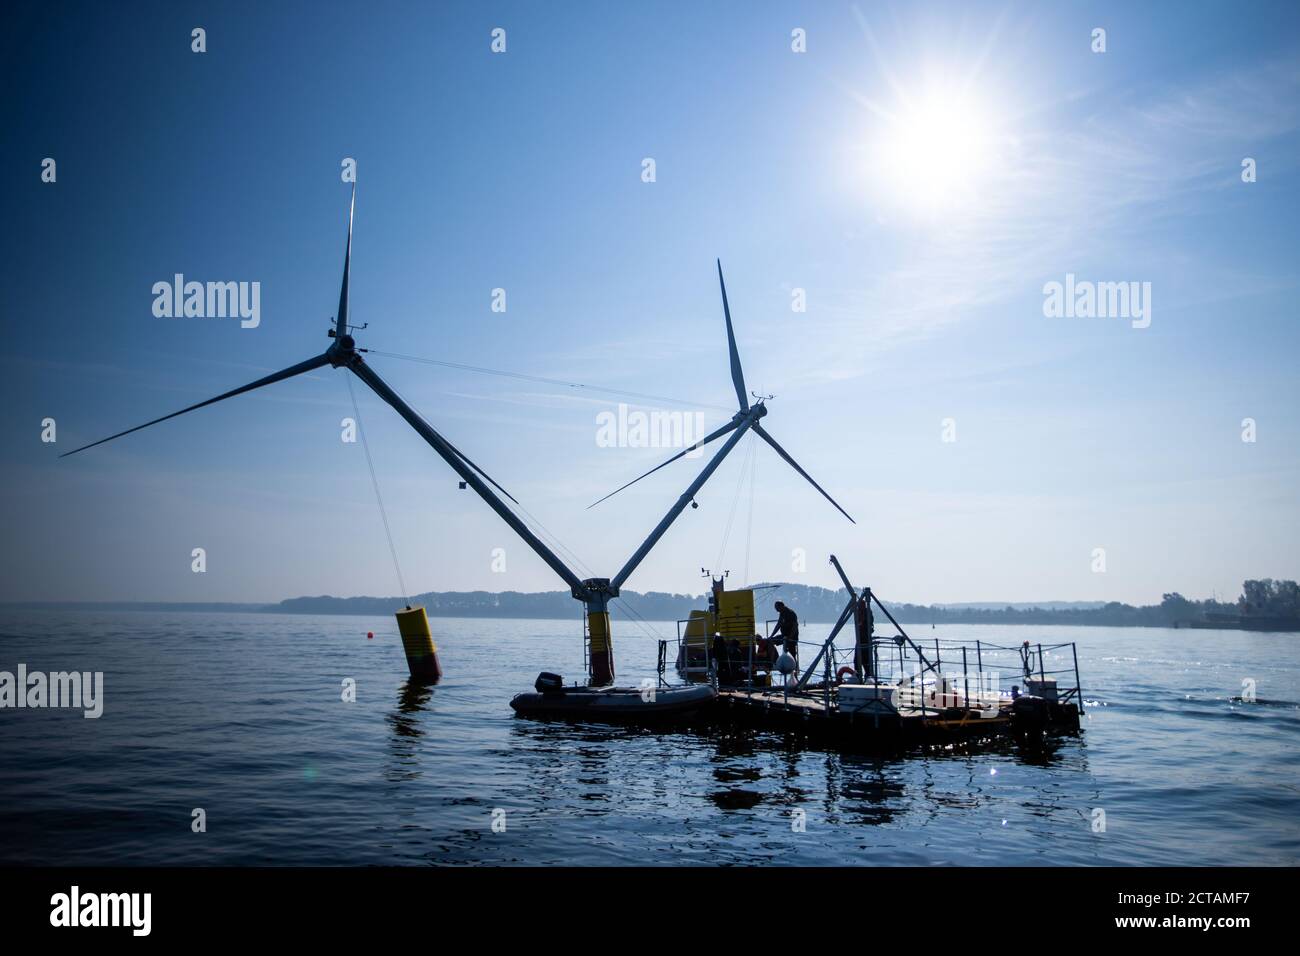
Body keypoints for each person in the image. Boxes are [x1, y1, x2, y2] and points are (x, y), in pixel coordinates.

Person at [771, 601, 799, 668]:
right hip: (784, 636)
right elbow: (778, 625)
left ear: (781, 606)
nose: (776, 610)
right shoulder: (781, 613)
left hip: (792, 638)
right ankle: (775, 661)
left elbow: (795, 626)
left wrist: (790, 637)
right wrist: (771, 636)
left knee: (792, 654)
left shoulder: (790, 613)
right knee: (771, 641)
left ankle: (794, 670)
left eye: (777, 608)